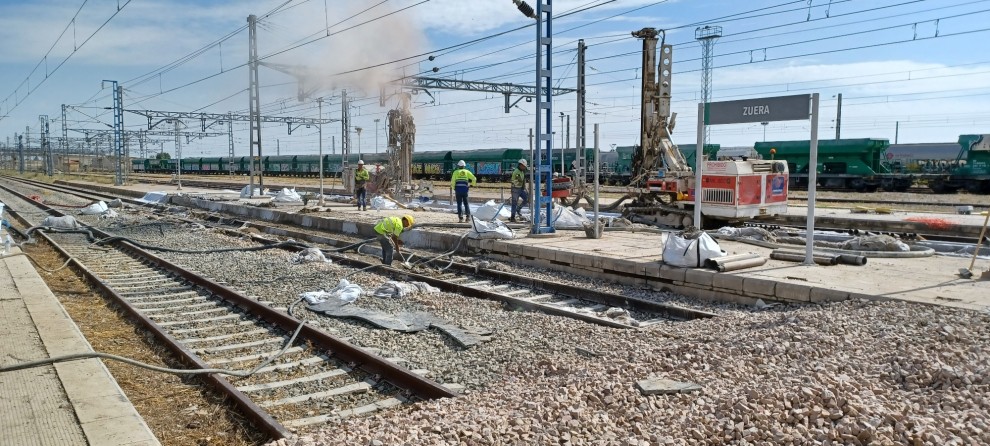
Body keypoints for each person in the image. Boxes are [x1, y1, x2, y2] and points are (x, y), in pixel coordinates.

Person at [508, 158, 529, 222]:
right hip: (515, 189)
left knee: (526, 199)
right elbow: (520, 180)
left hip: (521, 188)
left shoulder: (522, 171)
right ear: (521, 165)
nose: (524, 167)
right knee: (514, 203)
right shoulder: (517, 171)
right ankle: (512, 217)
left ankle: (518, 208)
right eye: (524, 166)